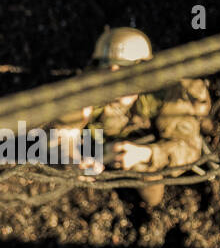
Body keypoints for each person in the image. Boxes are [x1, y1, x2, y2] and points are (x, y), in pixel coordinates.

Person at [48, 27, 209, 206]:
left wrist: (146, 154)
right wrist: (74, 160)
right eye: (109, 74)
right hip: (100, 147)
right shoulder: (84, 92)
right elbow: (60, 134)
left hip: (144, 146)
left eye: (125, 75)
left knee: (152, 195)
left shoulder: (166, 93)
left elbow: (190, 148)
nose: (117, 85)